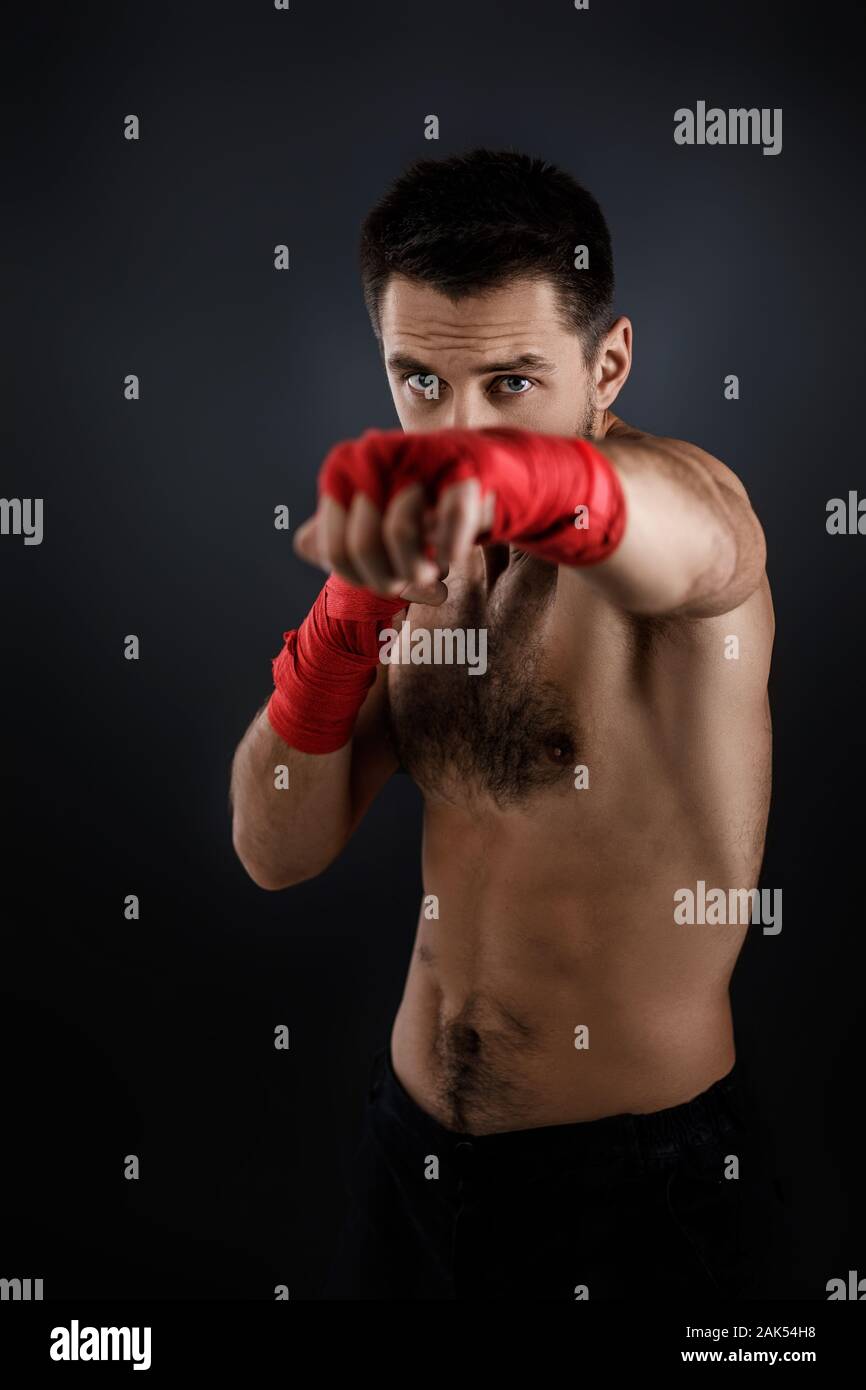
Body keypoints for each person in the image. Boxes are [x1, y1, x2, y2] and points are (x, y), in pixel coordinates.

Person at [230, 149, 795, 1299]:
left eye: (513, 383)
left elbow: (690, 537)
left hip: (637, 1194)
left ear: (609, 363)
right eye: (421, 383)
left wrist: (521, 490)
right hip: (411, 1163)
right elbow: (274, 853)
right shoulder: (417, 561)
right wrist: (344, 625)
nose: (460, 426)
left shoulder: (682, 519)